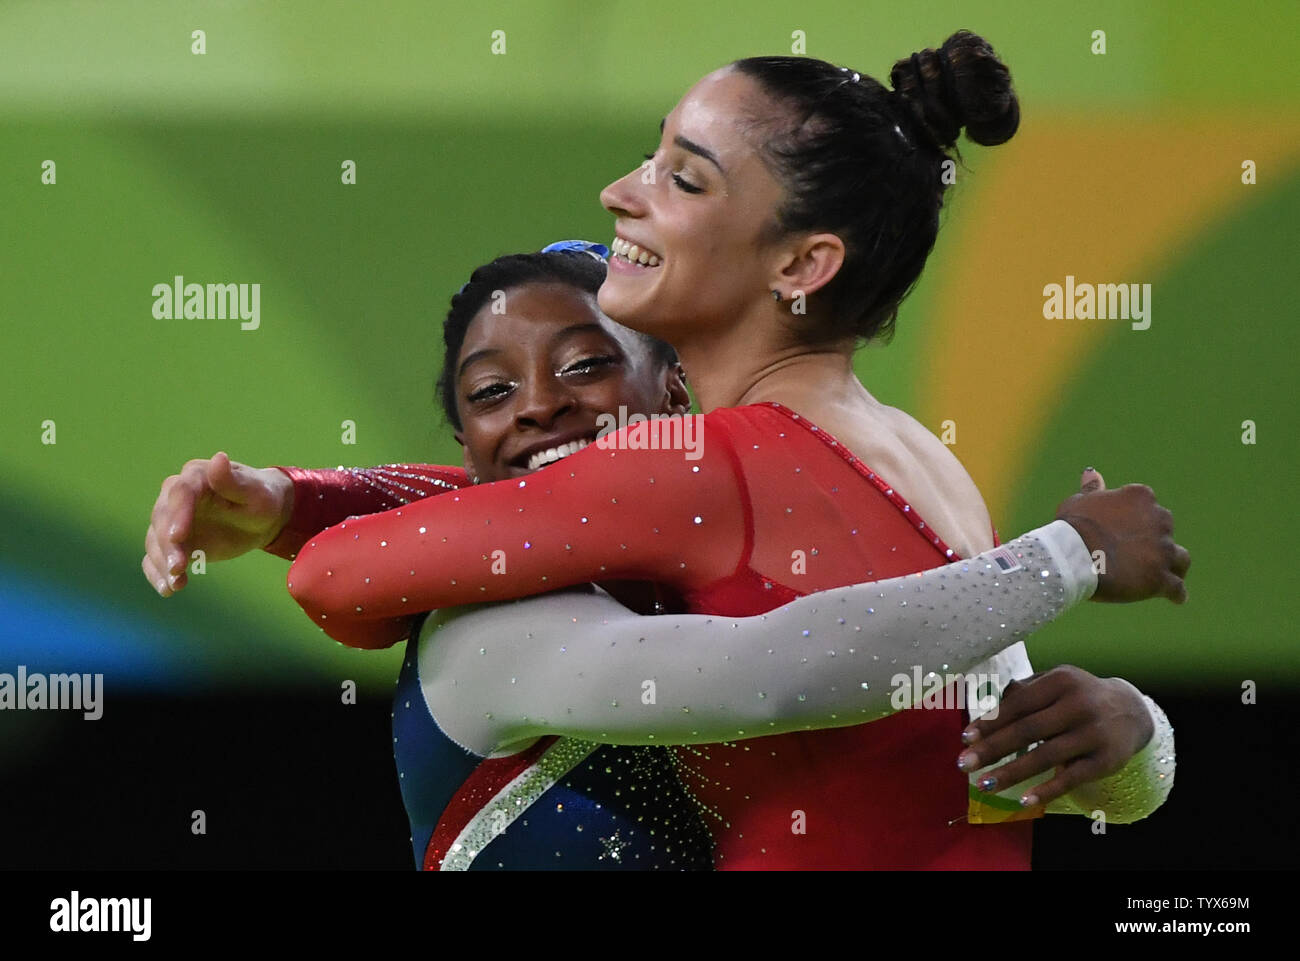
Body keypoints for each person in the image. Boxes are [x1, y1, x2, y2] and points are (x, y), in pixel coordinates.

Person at [145, 240, 1185, 871]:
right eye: (491, 393)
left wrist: (1132, 744)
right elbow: (776, 672)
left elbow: (956, 776)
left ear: (677, 395)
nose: (539, 405)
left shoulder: (741, 580)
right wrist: (1069, 554)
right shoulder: (490, 628)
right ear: (465, 447)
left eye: (585, 366)